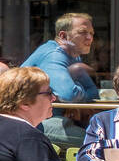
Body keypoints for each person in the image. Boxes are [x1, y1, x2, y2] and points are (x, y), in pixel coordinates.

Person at [21, 12, 99, 146]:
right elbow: (70, 95)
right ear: (63, 36)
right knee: (95, 142)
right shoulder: (54, 54)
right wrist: (78, 88)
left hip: (50, 118)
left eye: (92, 33)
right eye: (83, 32)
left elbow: (93, 93)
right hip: (31, 124)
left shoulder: (73, 56)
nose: (89, 38)